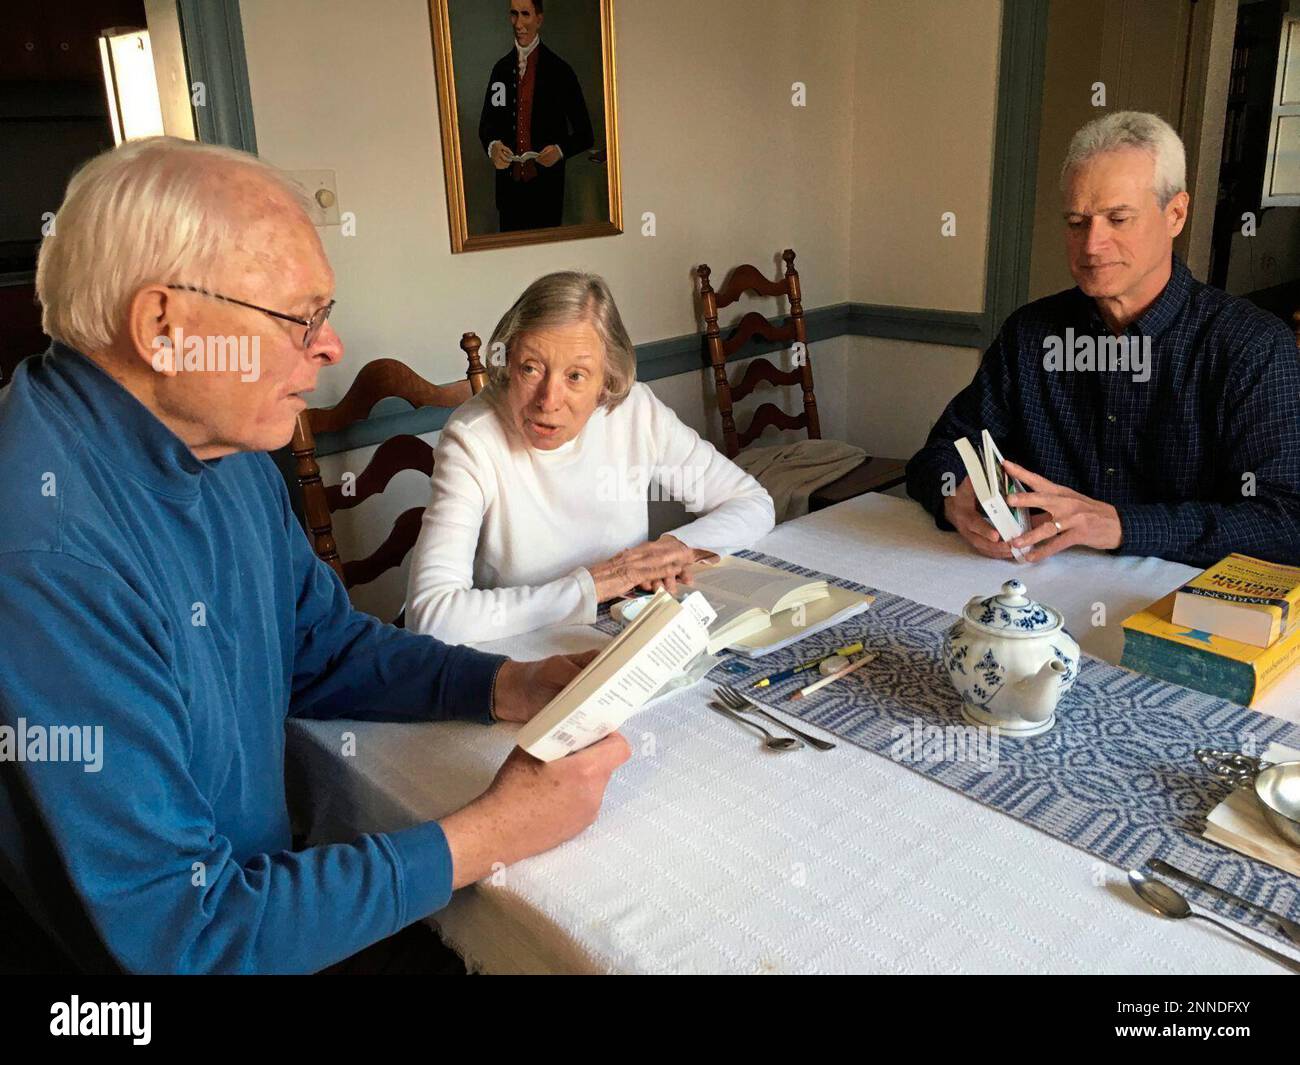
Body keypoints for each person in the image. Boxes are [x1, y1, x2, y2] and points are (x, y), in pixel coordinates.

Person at [0, 136, 630, 974]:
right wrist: (492, 833)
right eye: (302, 316)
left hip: (264, 891)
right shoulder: (45, 546)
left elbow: (321, 647)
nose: (329, 347)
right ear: (163, 326)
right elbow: (184, 938)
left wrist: (500, 682)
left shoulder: (224, 446)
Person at [906, 111, 1300, 568]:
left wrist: (1120, 525)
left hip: (1177, 607)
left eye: (1118, 219)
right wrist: (952, 497)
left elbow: (1286, 521)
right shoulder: (1031, 334)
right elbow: (940, 453)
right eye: (1077, 222)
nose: (1092, 246)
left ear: (1175, 214)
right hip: (1027, 587)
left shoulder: (1252, 347)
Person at [404, 271, 775, 645]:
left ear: (607, 379)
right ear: (507, 361)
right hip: (516, 654)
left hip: (621, 636)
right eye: (531, 368)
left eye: (576, 376)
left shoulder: (634, 410)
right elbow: (432, 617)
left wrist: (674, 549)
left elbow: (753, 503)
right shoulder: (473, 437)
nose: (549, 401)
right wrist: (593, 585)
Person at [478, 0, 594, 231]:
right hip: (508, 193)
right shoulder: (500, 70)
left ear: (539, 19)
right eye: (513, 14)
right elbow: (487, 123)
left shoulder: (560, 71)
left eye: (525, 14)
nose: (518, 23)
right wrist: (493, 146)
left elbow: (585, 134)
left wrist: (559, 151)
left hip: (547, 193)